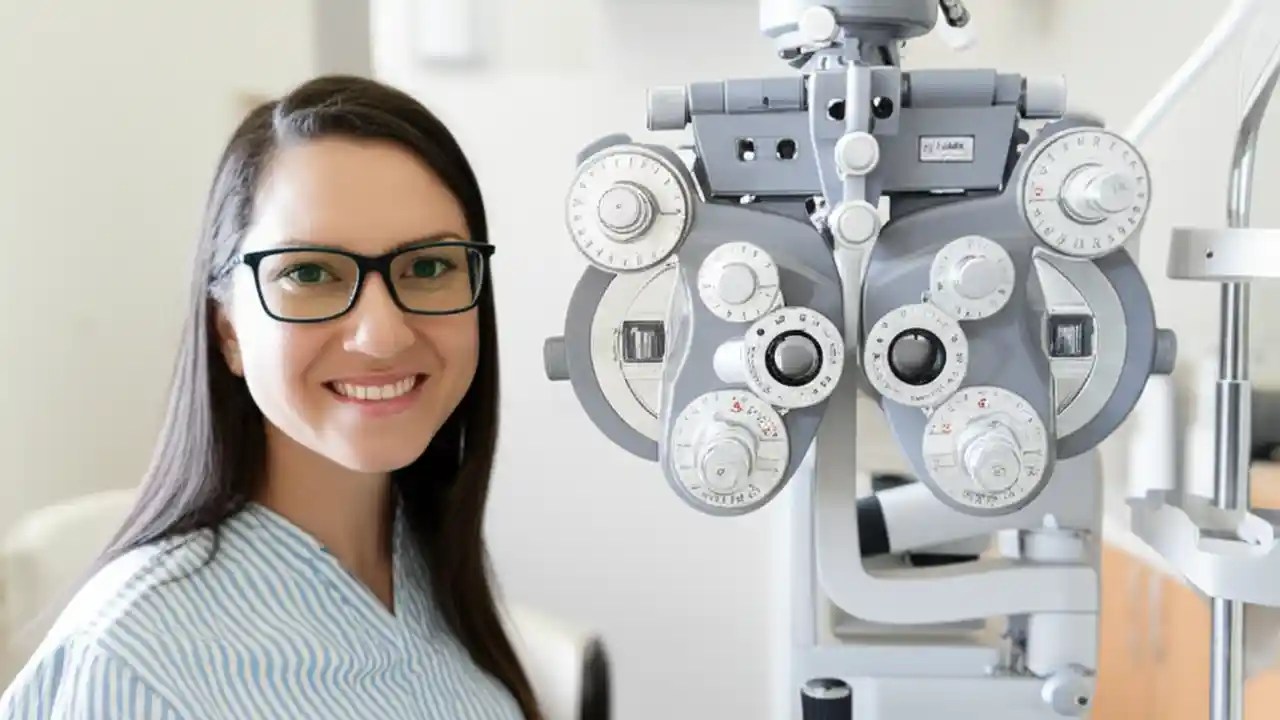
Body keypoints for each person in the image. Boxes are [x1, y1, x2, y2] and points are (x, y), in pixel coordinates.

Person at [0, 75, 540, 719]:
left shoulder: (429, 573)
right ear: (228, 330)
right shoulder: (131, 664)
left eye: (428, 267)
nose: (382, 336)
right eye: (309, 272)